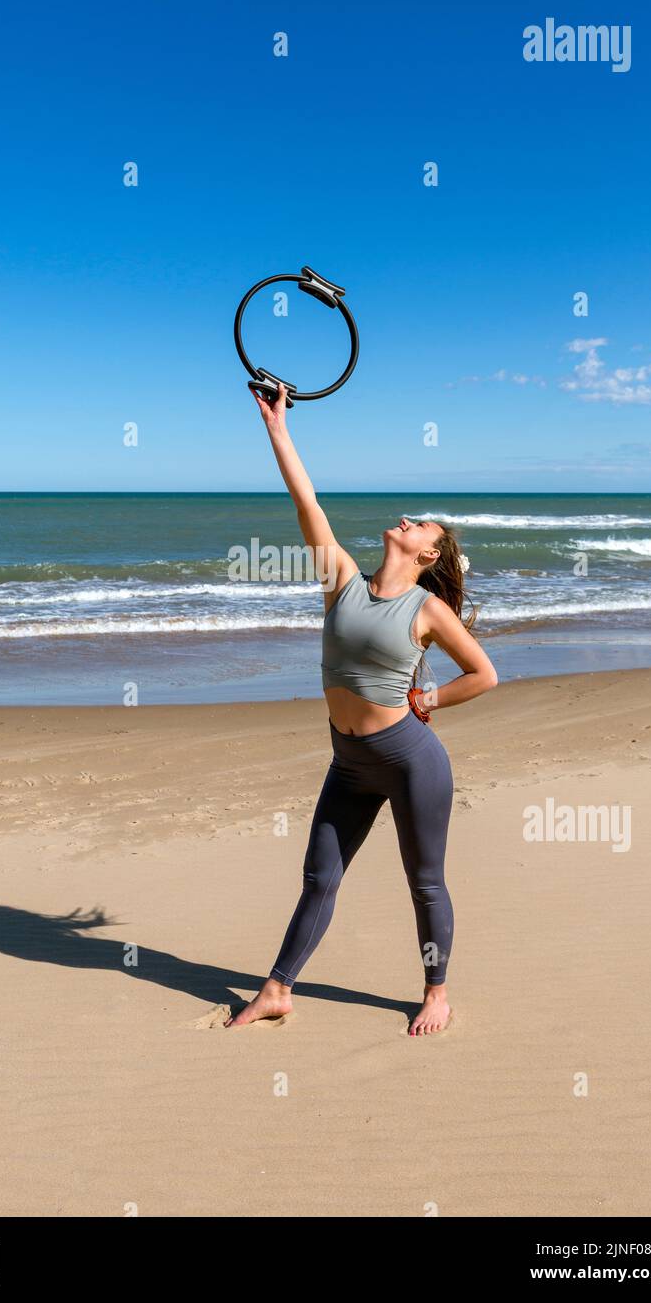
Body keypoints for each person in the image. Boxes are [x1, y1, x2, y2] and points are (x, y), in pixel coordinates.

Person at [226, 382, 498, 1034]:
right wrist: (278, 430)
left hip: (409, 761)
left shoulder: (426, 610)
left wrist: (429, 696)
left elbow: (483, 674)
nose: (406, 521)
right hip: (348, 763)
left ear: (428, 554)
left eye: (419, 526)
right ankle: (277, 989)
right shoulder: (340, 579)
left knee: (424, 882)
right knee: (319, 875)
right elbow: (305, 500)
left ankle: (436, 992)